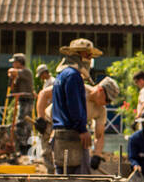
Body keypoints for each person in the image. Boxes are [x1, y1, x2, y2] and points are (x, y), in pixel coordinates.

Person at [51, 39, 98, 174]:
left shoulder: (62, 75)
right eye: (88, 56)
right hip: (72, 133)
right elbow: (74, 105)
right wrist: (82, 129)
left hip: (60, 134)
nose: (90, 60)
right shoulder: (73, 76)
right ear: (80, 54)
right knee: (80, 179)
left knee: (63, 177)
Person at [85, 76, 121, 156]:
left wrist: (97, 155)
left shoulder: (101, 110)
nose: (107, 103)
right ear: (100, 90)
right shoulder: (81, 89)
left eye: (110, 101)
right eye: (107, 100)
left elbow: (99, 135)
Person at [7, 54, 36, 123]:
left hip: (27, 100)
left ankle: (24, 133)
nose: (13, 64)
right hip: (21, 99)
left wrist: (11, 72)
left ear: (19, 62)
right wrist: (12, 78)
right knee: (20, 119)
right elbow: (12, 88)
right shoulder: (17, 75)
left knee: (24, 120)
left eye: (14, 62)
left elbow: (11, 71)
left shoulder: (26, 72)